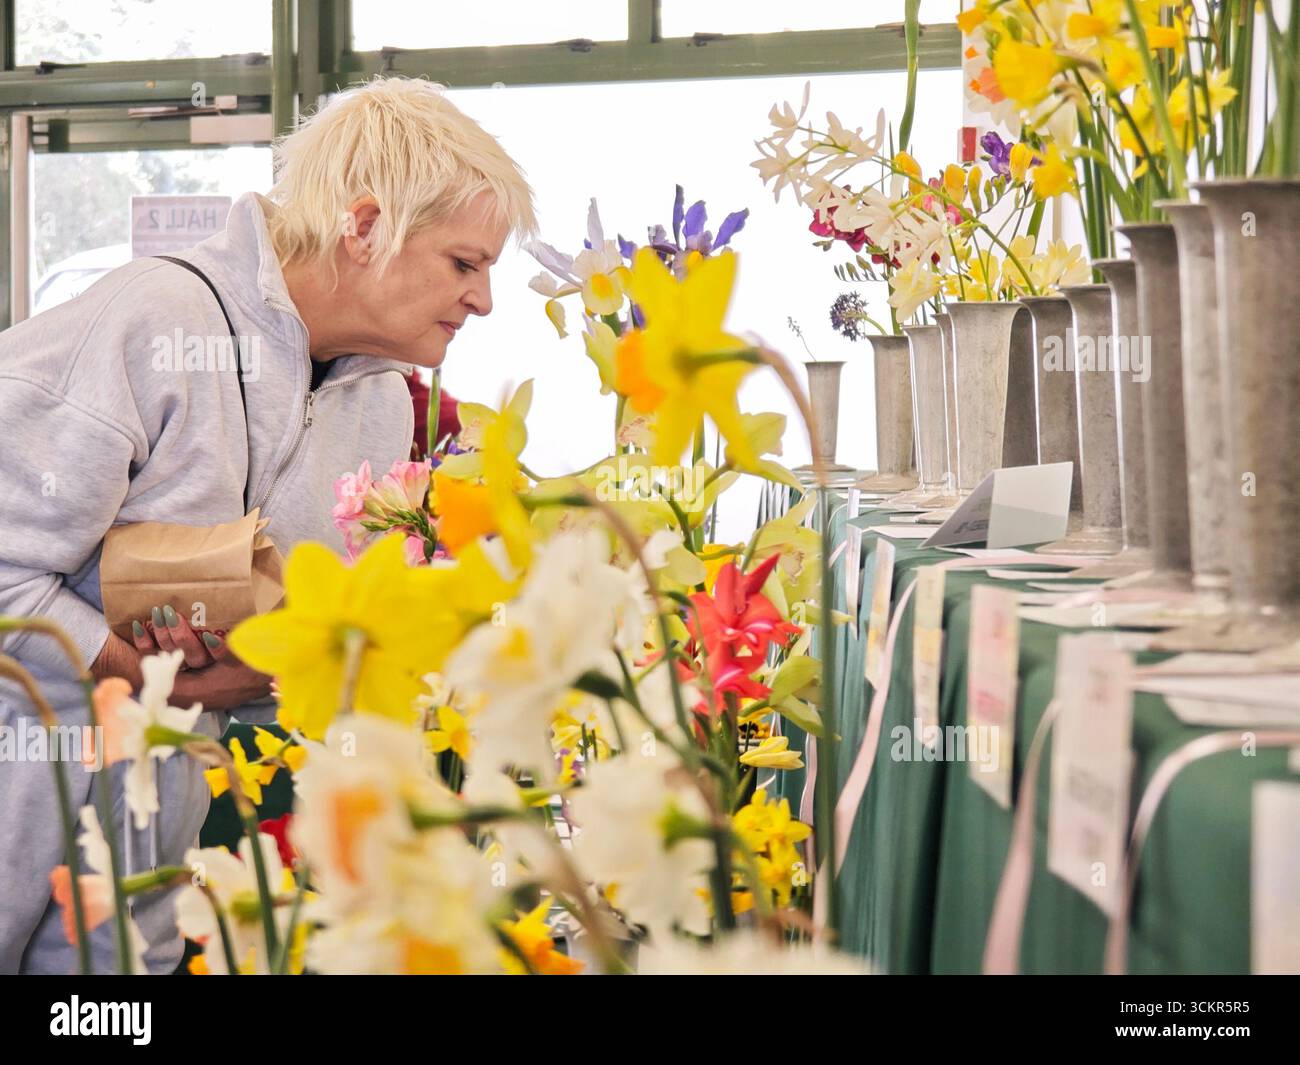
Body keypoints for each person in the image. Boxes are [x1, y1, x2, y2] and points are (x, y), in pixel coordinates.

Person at [0, 76, 536, 973]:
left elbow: (300, 623)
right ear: (365, 227)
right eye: (463, 264)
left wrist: (251, 670)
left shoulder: (380, 408)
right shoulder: (150, 325)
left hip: (138, 871)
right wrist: (137, 672)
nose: (483, 300)